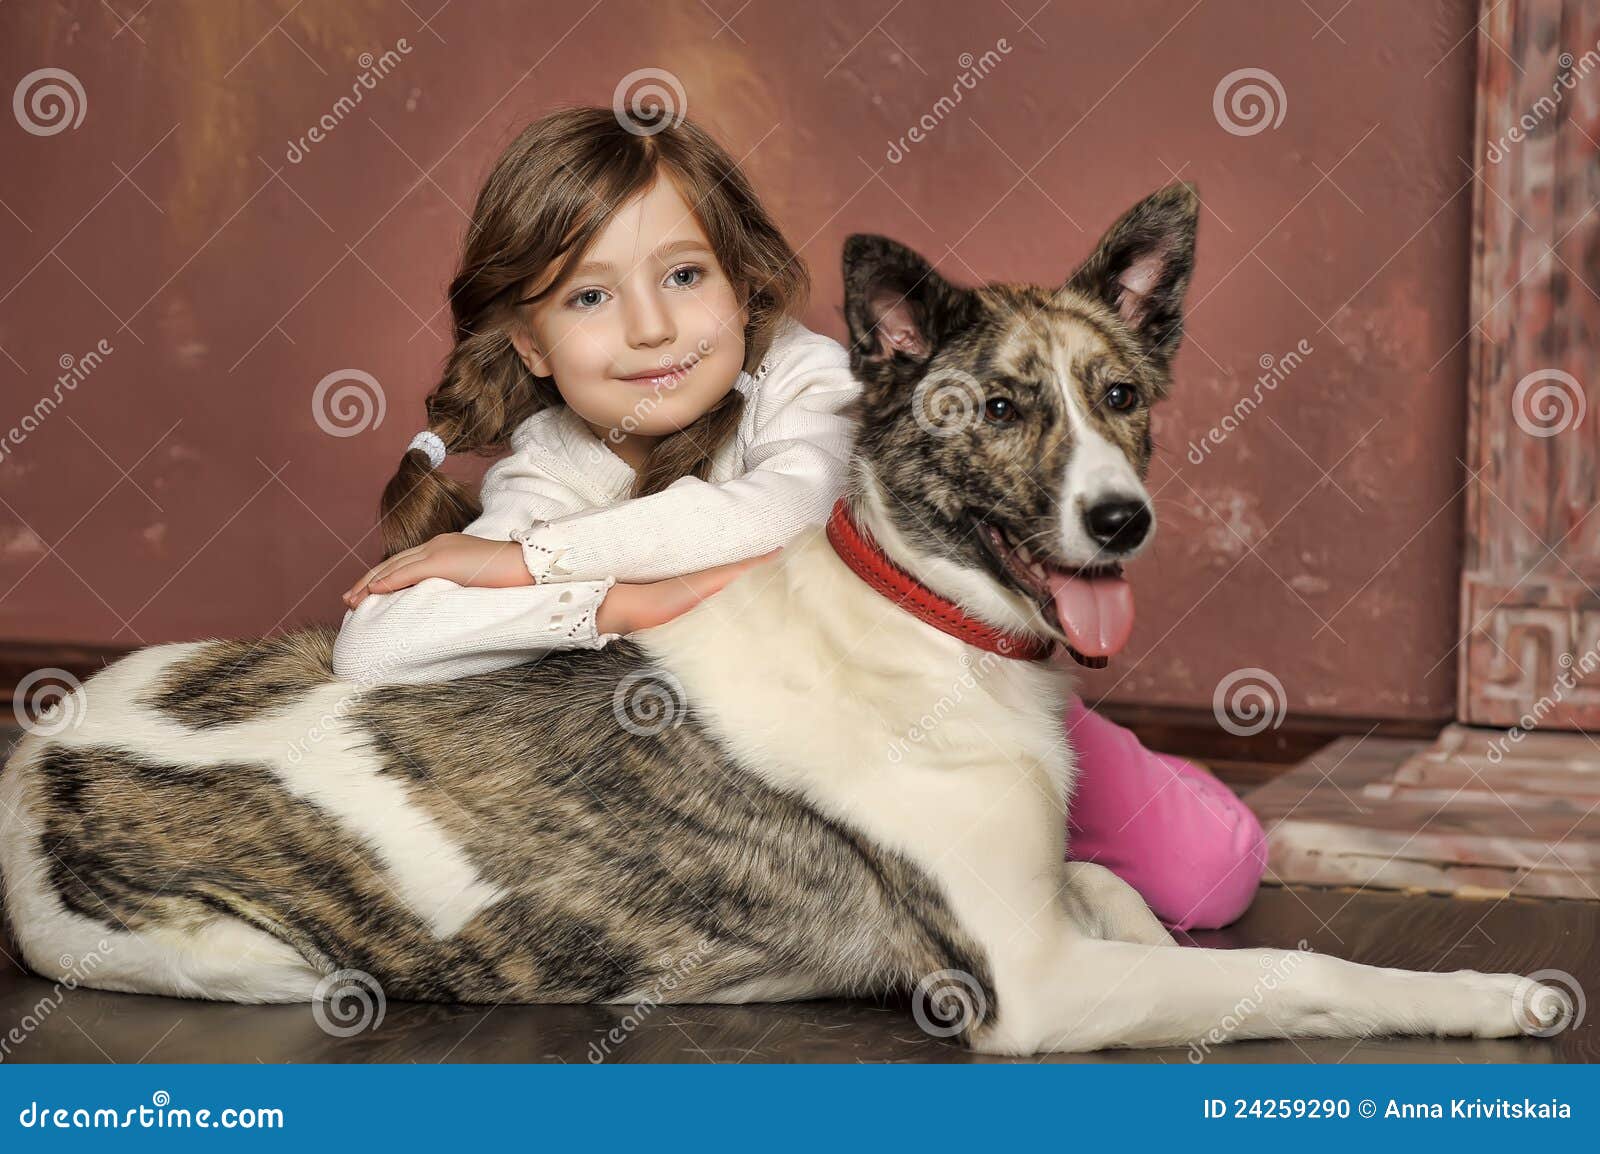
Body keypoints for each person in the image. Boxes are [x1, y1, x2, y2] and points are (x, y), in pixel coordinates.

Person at [331, 105, 1265, 930]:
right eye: (589, 296)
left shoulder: (805, 378)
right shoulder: (551, 468)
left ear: (744, 284)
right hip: (788, 765)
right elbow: (378, 648)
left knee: (1209, 870)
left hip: (950, 688)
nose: (651, 326)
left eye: (685, 275)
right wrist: (629, 606)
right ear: (530, 344)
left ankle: (1051, 866)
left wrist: (535, 560)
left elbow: (789, 509)